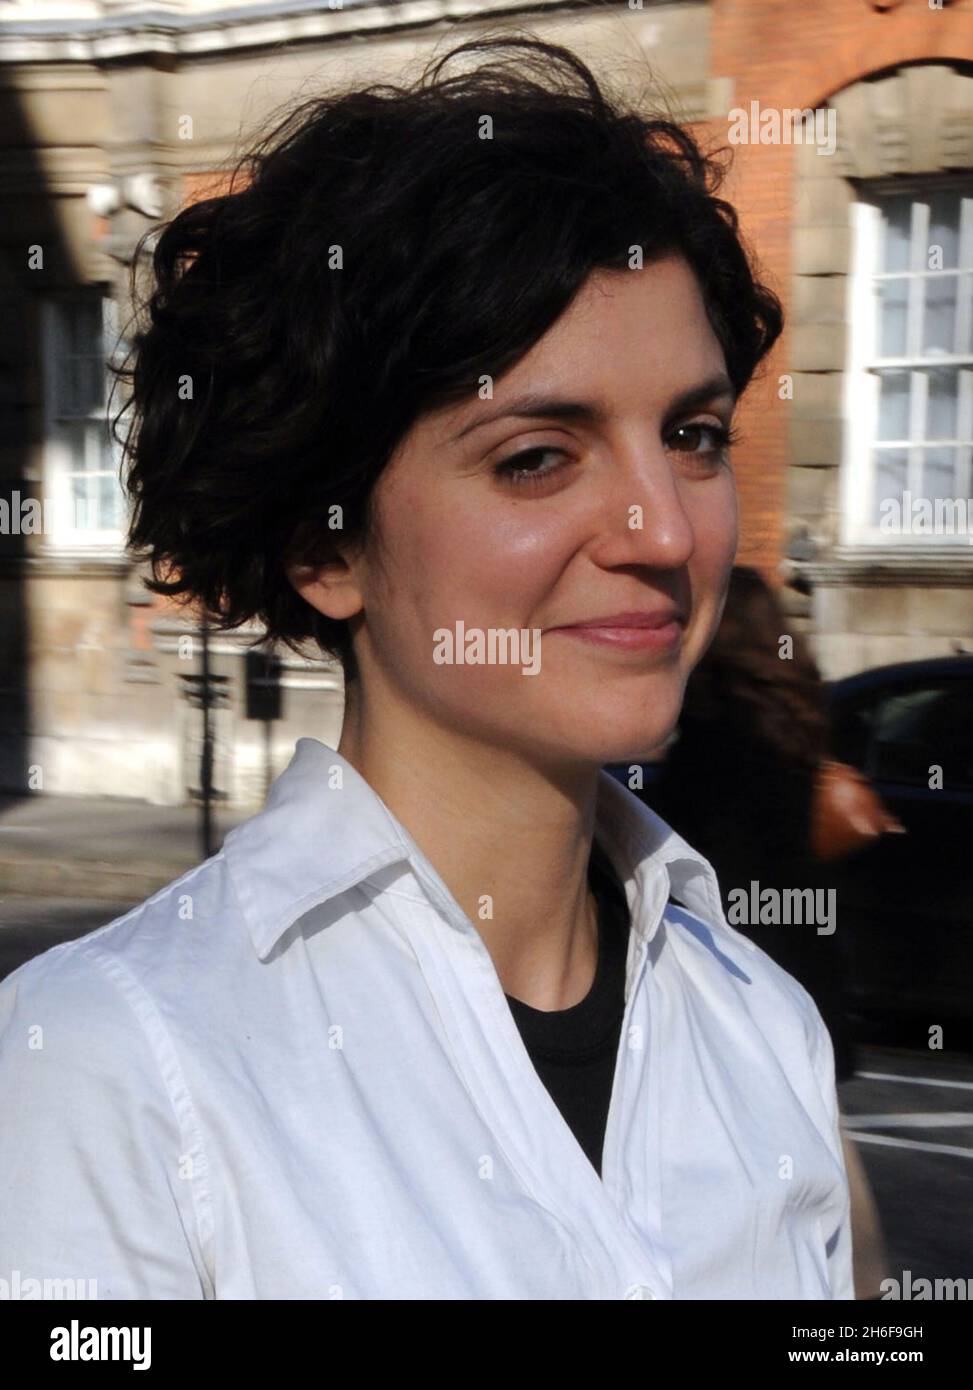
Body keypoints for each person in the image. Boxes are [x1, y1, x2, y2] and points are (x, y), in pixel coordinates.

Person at [0, 34, 854, 1300]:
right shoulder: (110, 1062)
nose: (665, 531)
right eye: (536, 457)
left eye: (691, 435)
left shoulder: (764, 1024)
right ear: (320, 544)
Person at [646, 564, 891, 1296]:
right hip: (805, 954)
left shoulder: (716, 720)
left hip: (741, 954)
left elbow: (691, 839)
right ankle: (862, 1286)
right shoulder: (798, 704)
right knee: (818, 1133)